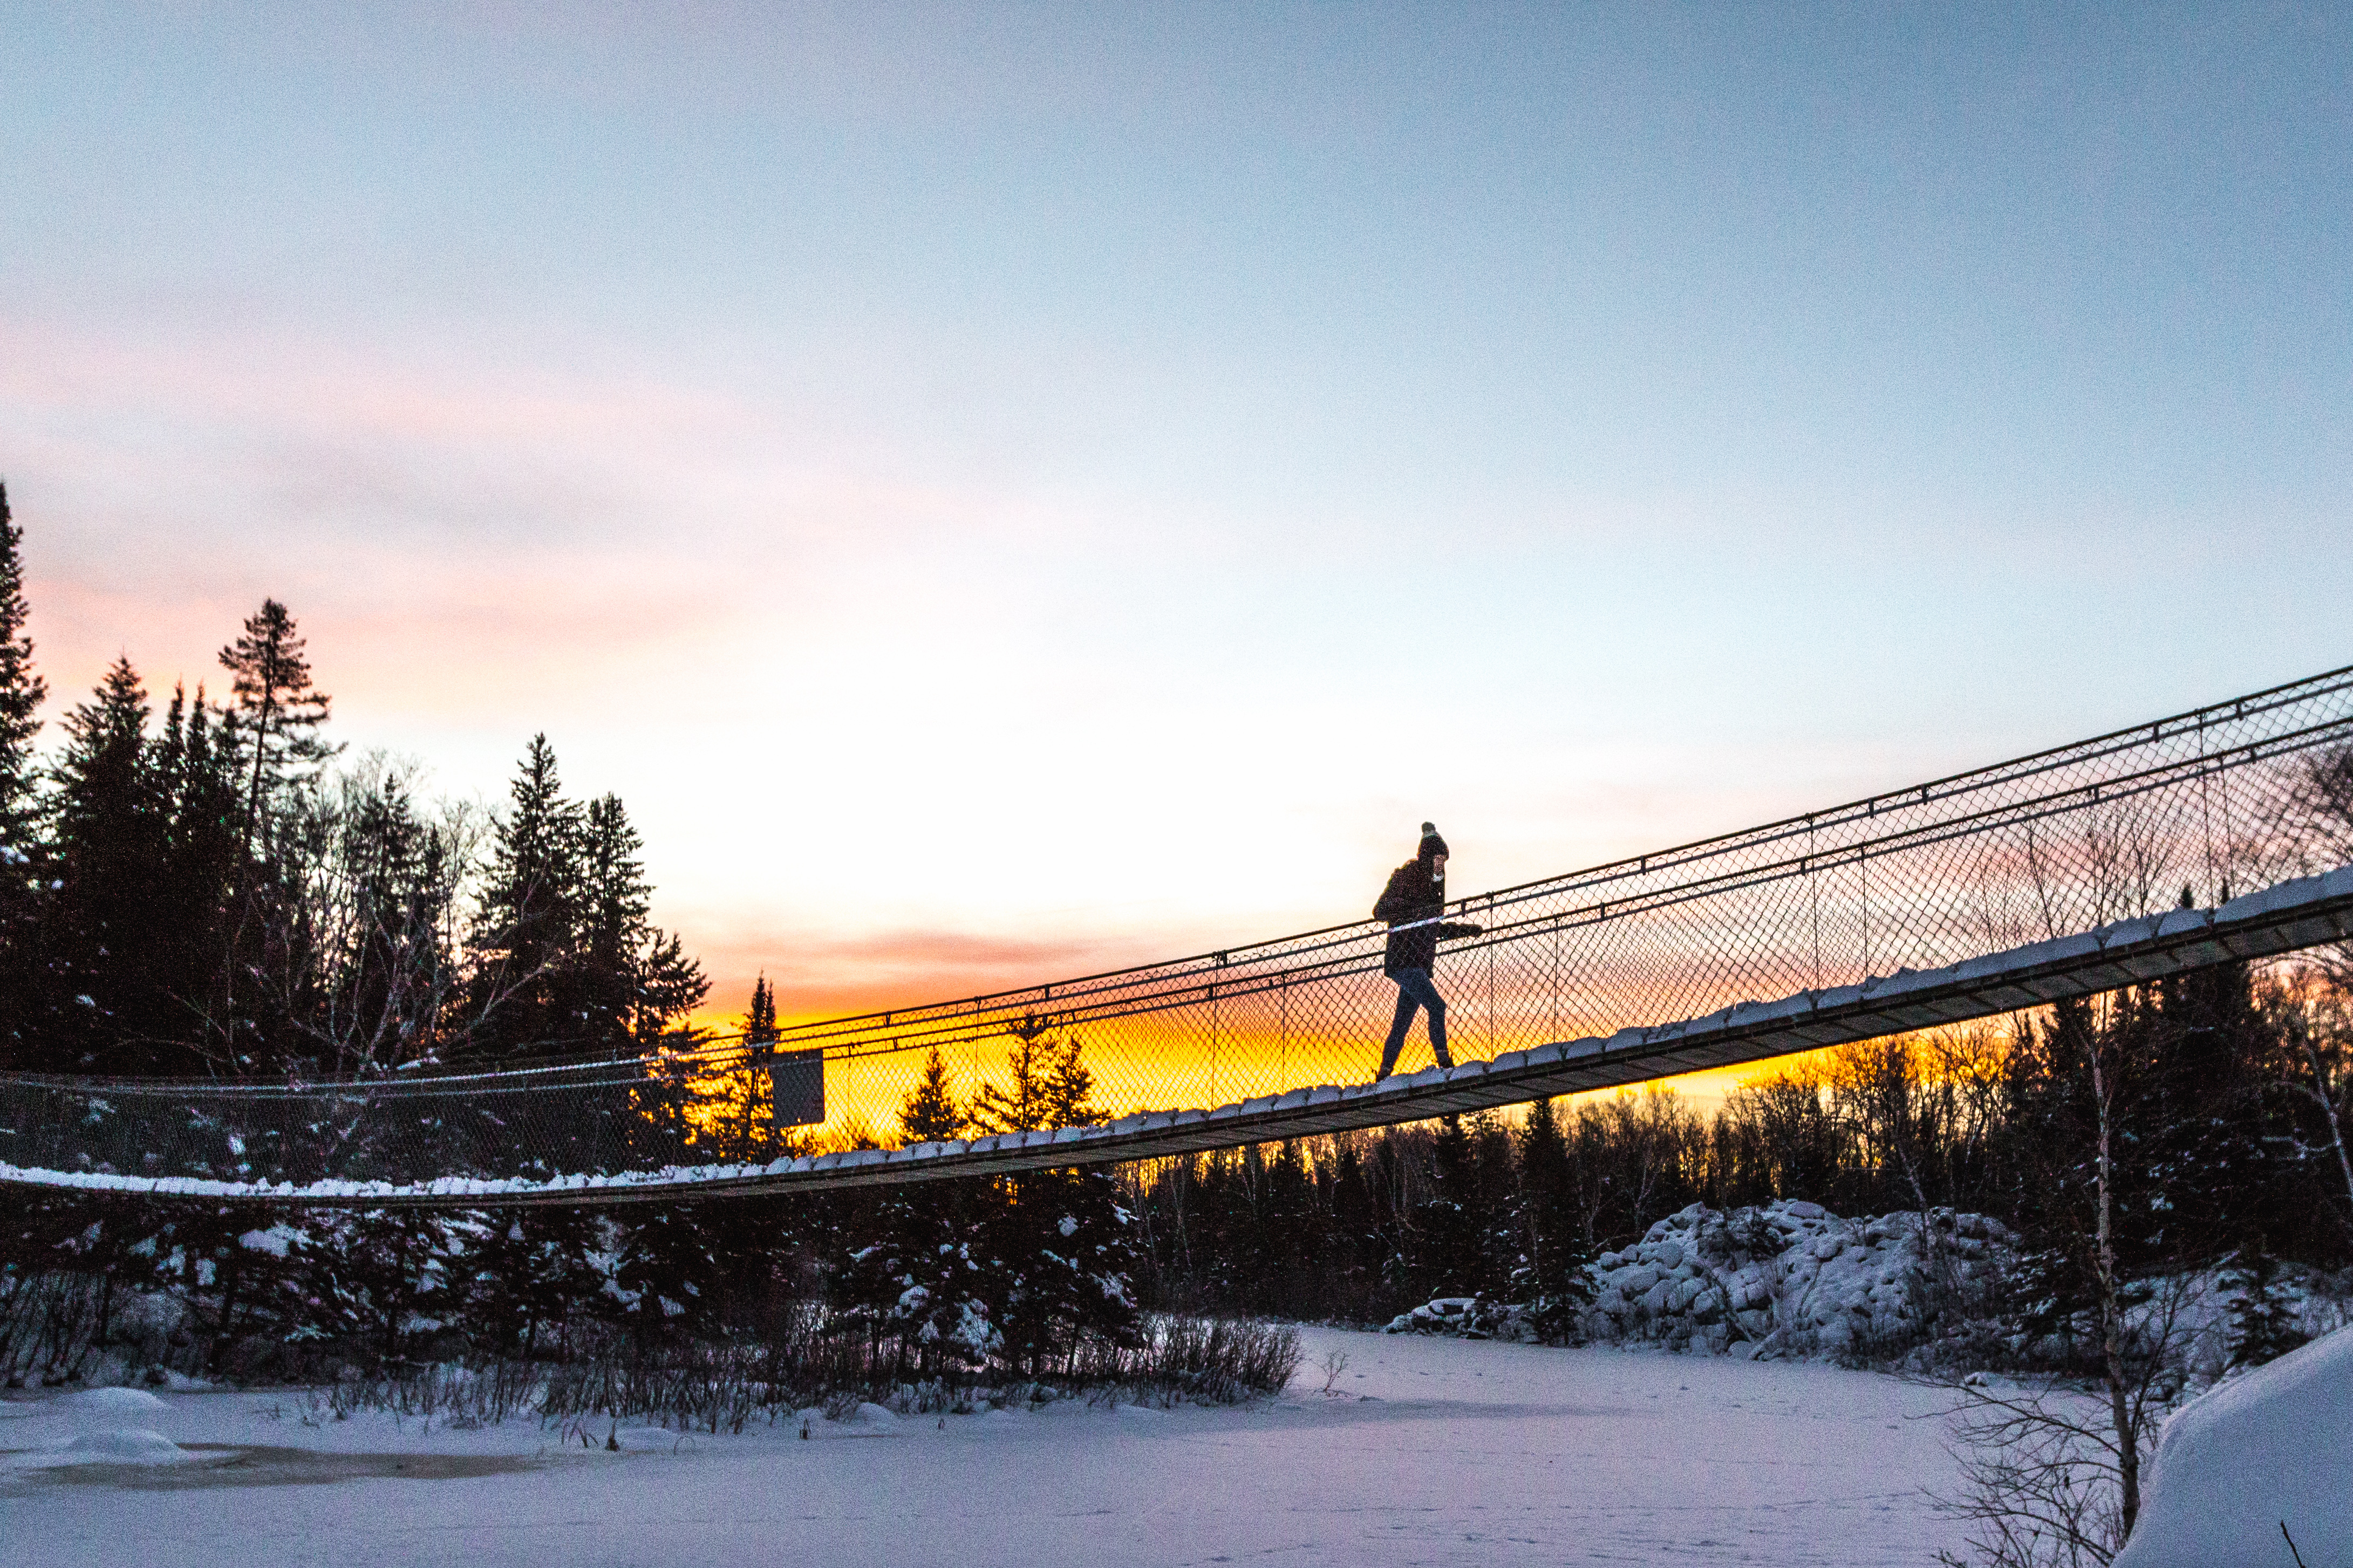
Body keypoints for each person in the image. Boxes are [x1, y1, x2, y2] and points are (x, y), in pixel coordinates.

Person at [1371, 823, 1482, 1080]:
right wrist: (1410, 908)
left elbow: (1433, 928)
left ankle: (1384, 1075)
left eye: (1444, 861)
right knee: (1437, 1006)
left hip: (1418, 963)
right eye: (1438, 859)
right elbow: (1380, 910)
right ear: (1428, 856)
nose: (1440, 865)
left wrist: (1466, 931)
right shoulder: (1406, 875)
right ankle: (1445, 1065)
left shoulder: (1435, 887)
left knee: (1401, 1024)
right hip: (1403, 959)